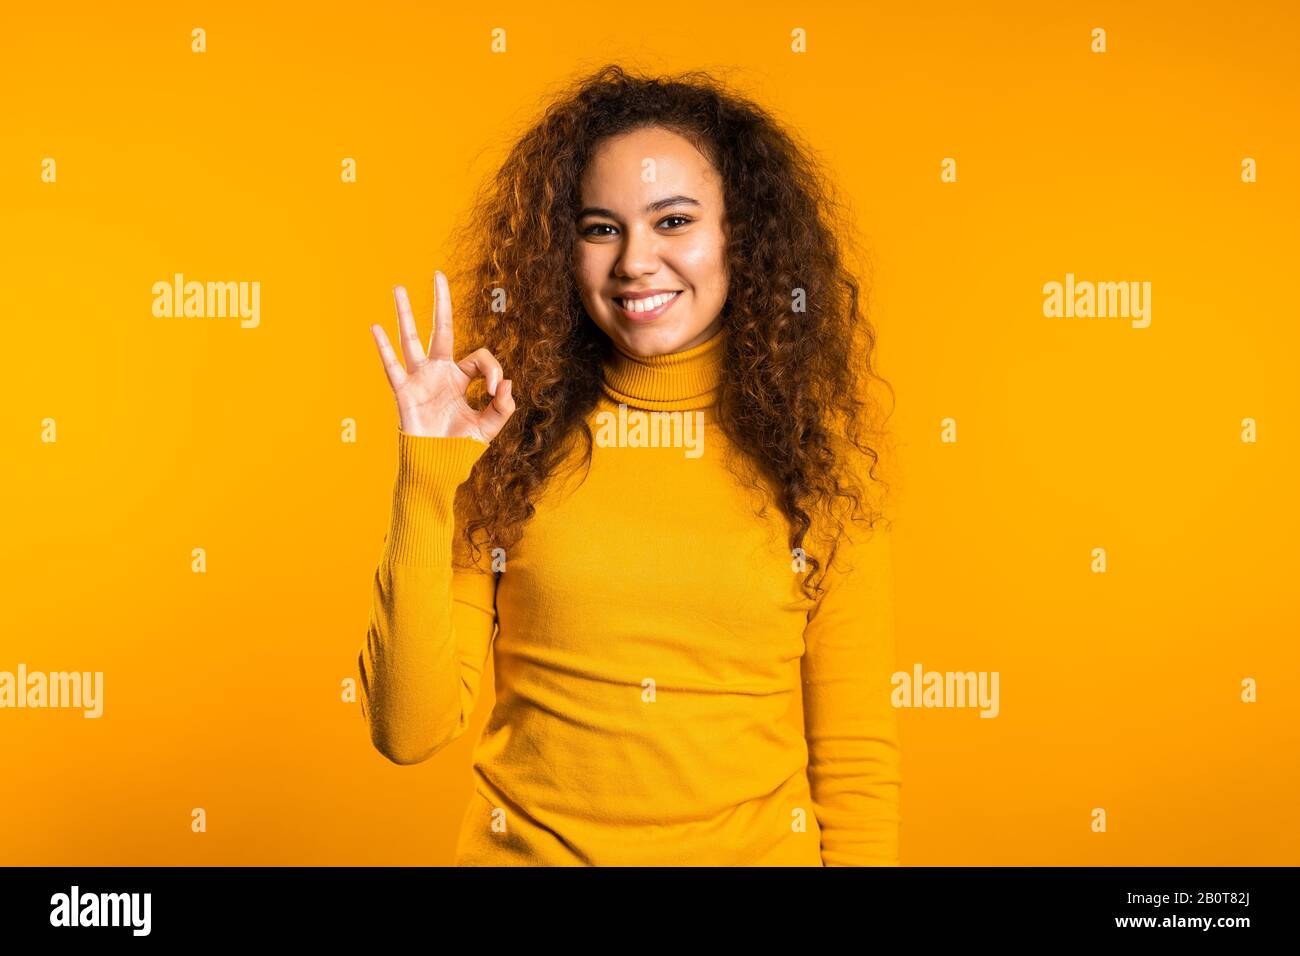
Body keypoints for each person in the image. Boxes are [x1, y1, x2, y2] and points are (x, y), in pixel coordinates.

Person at [359, 63, 900, 866]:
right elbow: (407, 731)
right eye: (601, 228)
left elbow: (857, 767)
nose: (635, 262)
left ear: (739, 234)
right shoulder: (508, 444)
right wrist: (429, 473)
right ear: (563, 248)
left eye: (673, 220)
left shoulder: (815, 463)